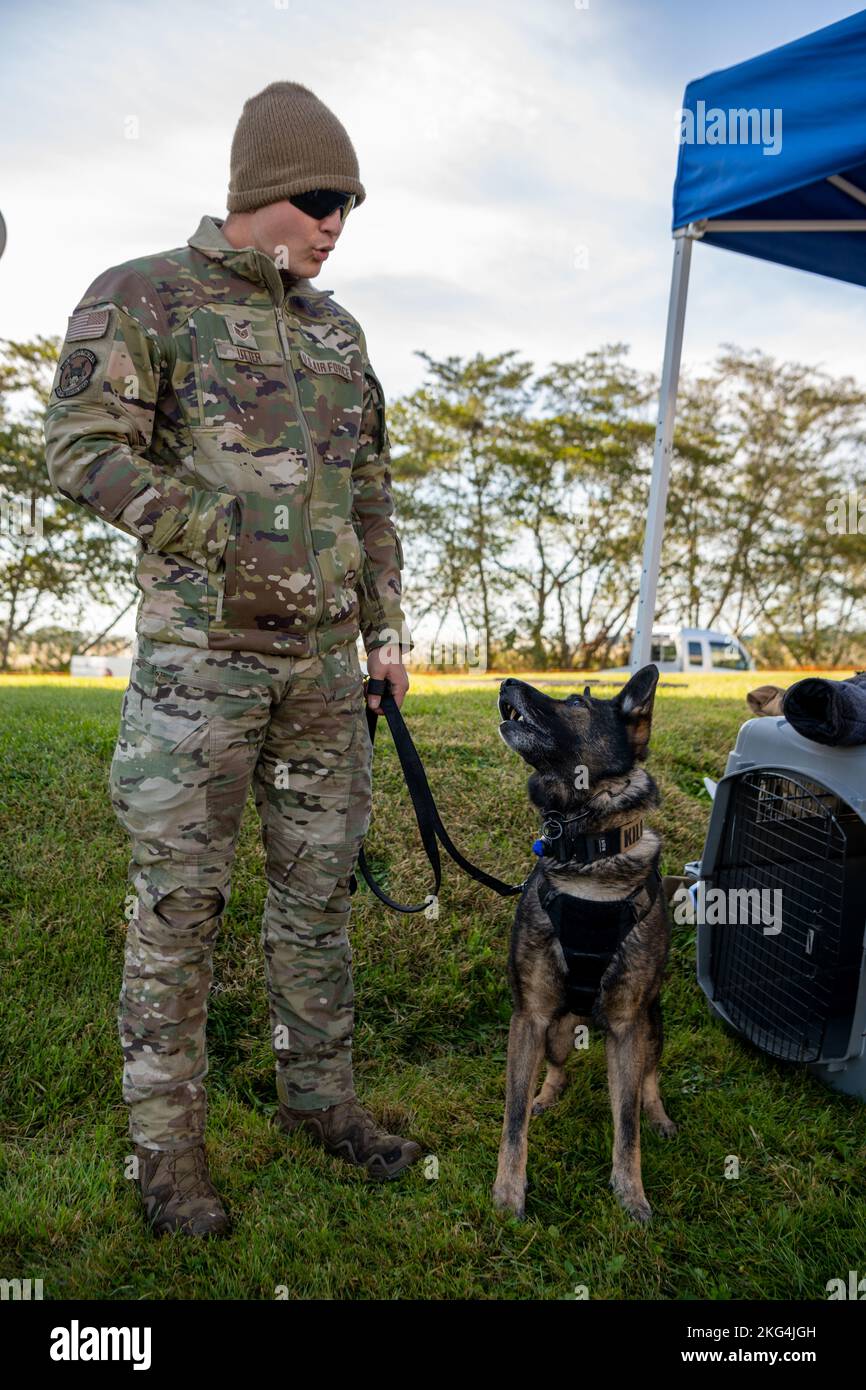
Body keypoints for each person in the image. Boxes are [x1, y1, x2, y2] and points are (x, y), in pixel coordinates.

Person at [43, 80, 418, 1238]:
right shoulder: (143, 294)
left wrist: (387, 630)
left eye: (348, 204)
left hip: (324, 677)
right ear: (259, 192)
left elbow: (369, 495)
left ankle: (323, 1102)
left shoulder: (336, 332)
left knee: (315, 903)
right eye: (318, 199)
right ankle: (168, 1154)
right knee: (178, 906)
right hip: (198, 672)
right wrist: (217, 531)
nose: (335, 224)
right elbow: (77, 447)